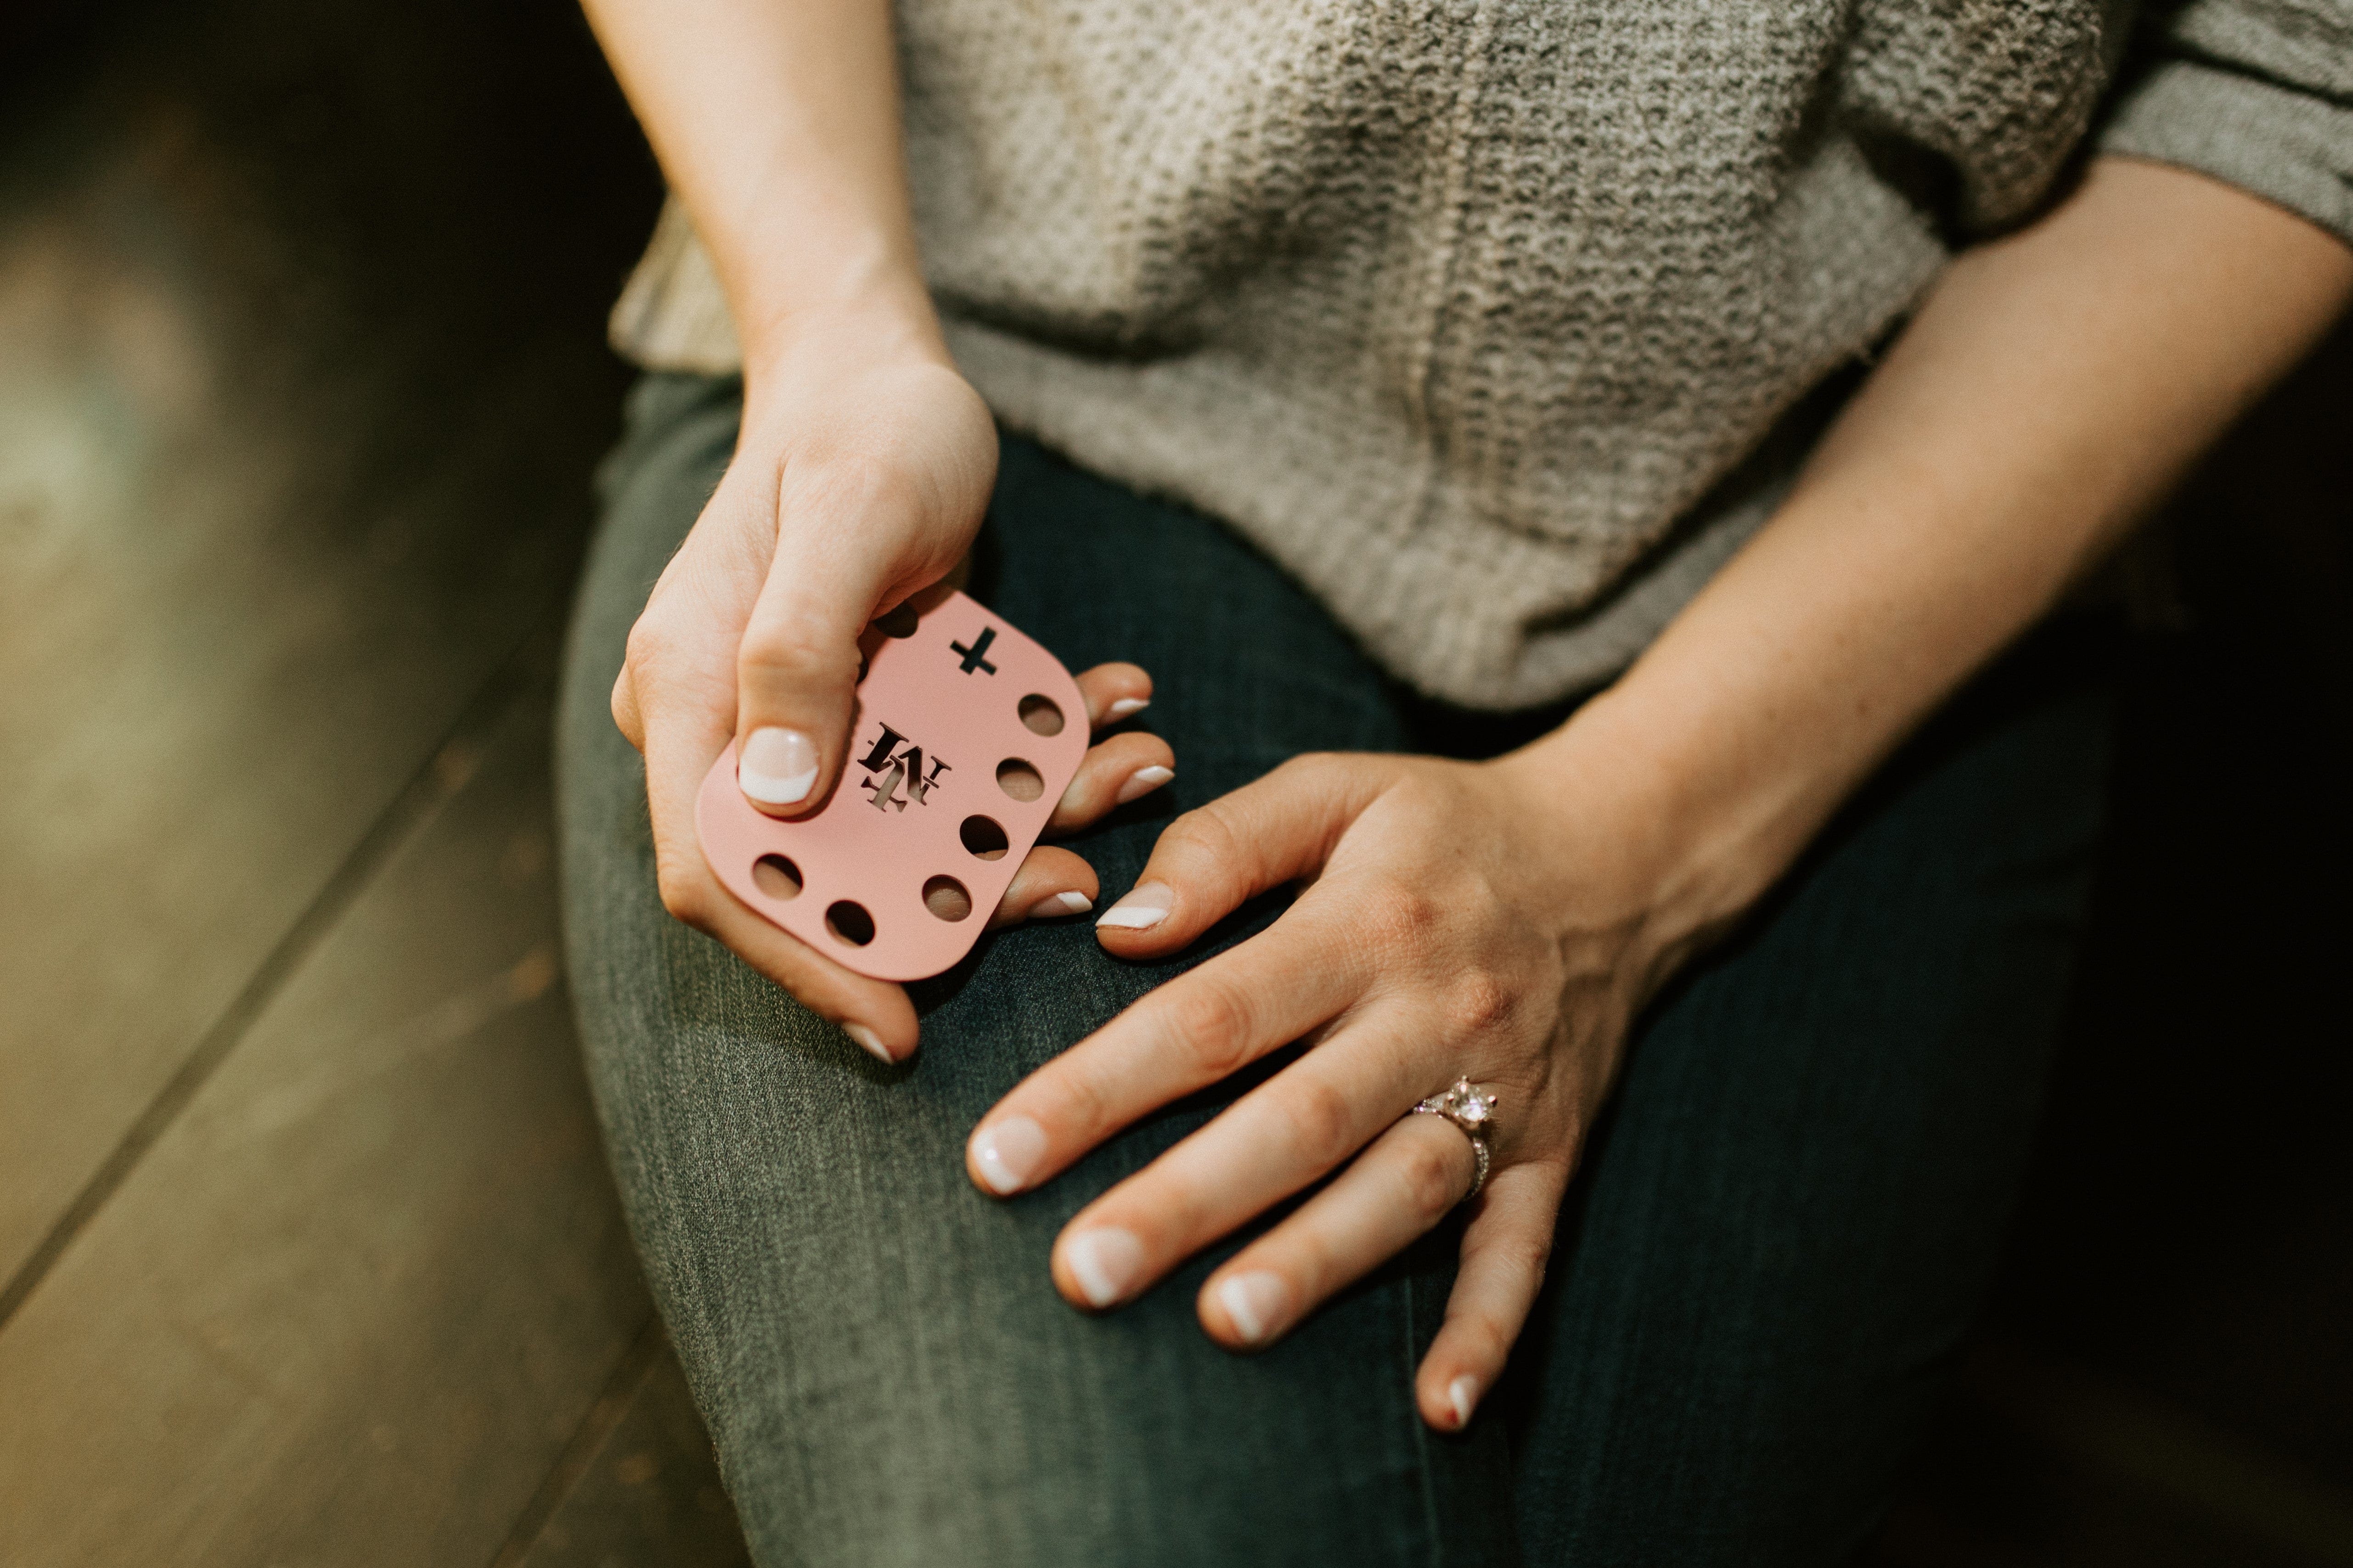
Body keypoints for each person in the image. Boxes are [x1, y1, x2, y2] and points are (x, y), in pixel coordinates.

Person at [556, 2, 2353, 1562]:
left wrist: (1628, 850)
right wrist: (835, 327)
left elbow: (2299, 59)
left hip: (1869, 507)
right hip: (980, 357)